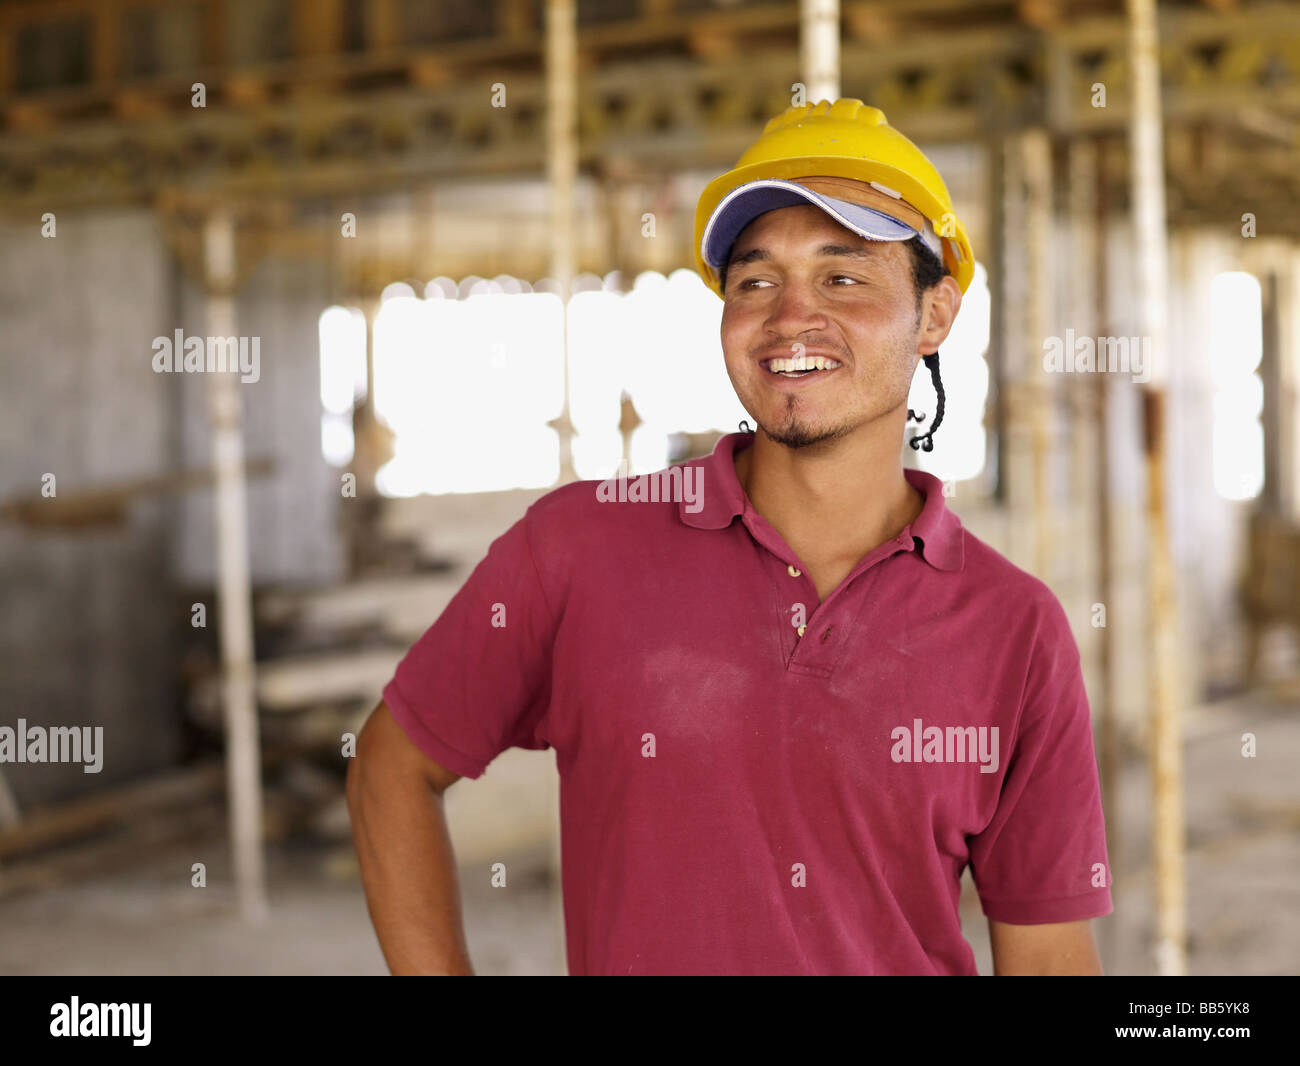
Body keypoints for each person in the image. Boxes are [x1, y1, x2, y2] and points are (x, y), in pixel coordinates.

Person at [347, 98, 1113, 976]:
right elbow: (392, 767)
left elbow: (1050, 956)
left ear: (934, 315)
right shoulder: (578, 548)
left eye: (843, 277)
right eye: (755, 281)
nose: (791, 317)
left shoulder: (1014, 627)